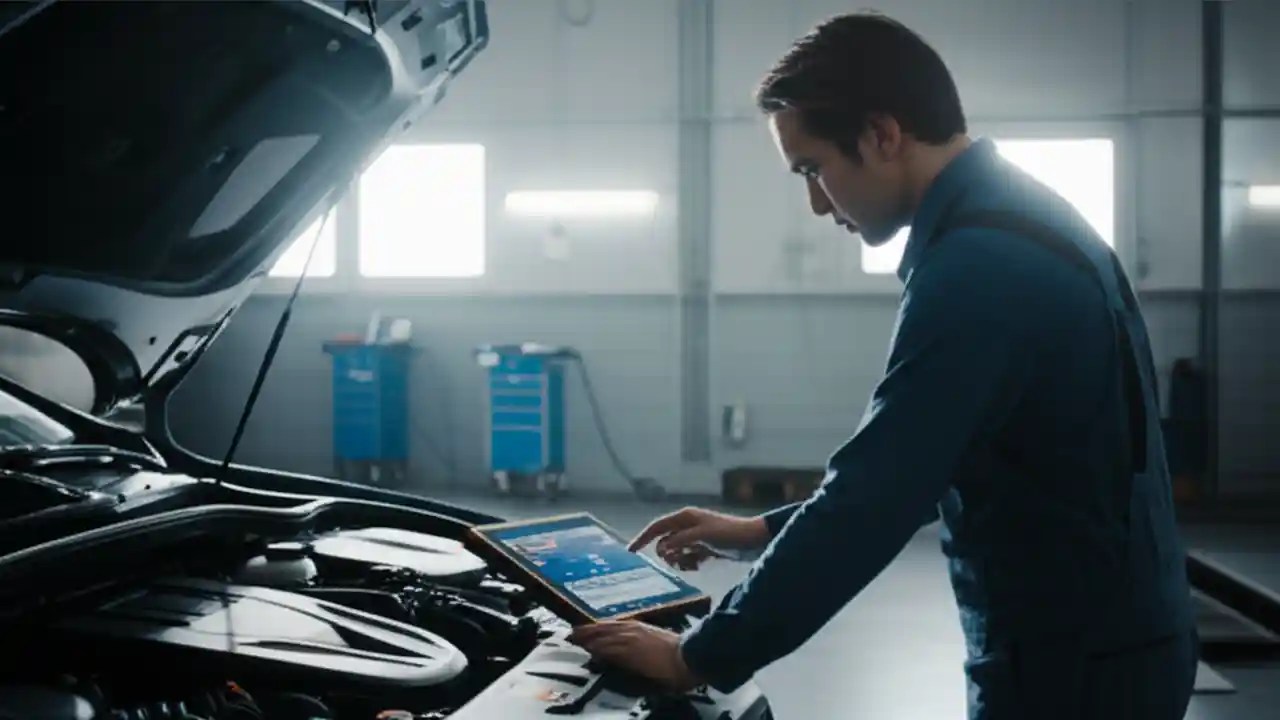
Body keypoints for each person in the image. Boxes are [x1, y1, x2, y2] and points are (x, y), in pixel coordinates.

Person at [568, 12, 1198, 720]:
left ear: (882, 134)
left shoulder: (978, 269)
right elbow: (951, 455)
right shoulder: (1027, 218)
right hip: (1112, 646)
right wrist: (760, 533)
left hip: (1071, 671)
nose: (814, 203)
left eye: (814, 168)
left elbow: (876, 497)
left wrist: (698, 657)